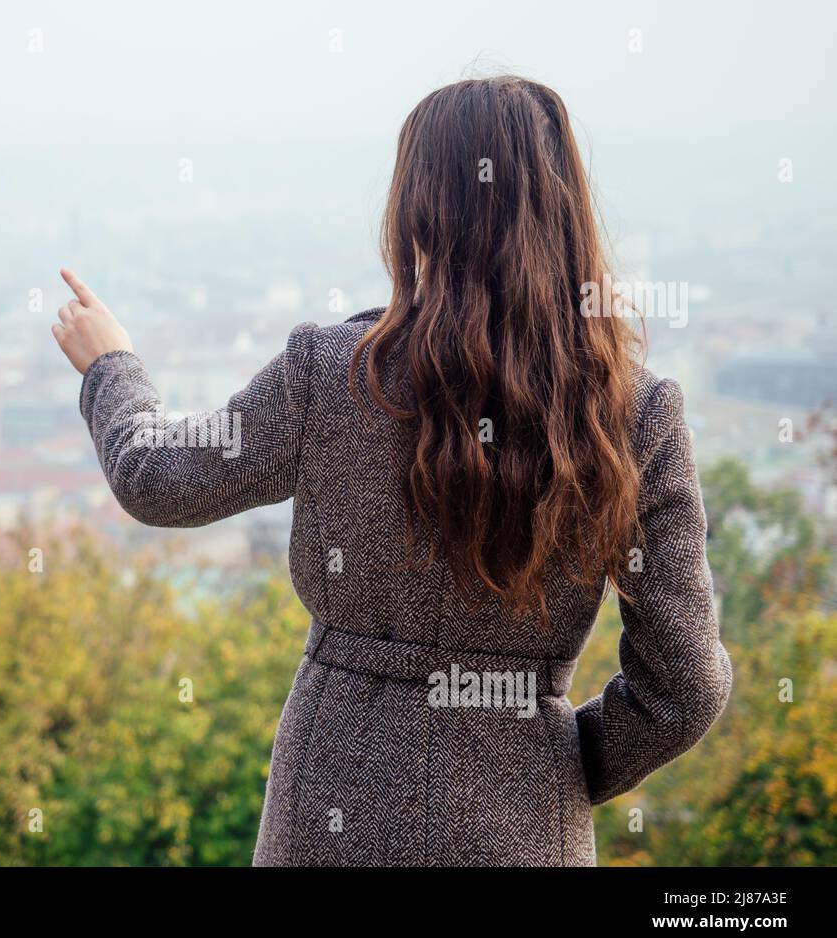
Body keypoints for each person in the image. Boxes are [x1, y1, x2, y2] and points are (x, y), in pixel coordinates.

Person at [49, 75, 732, 866]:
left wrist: (110, 366)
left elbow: (159, 478)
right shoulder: (633, 413)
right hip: (522, 834)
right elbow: (683, 689)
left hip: (330, 811)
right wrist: (549, 762)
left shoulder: (333, 372)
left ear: (416, 207)